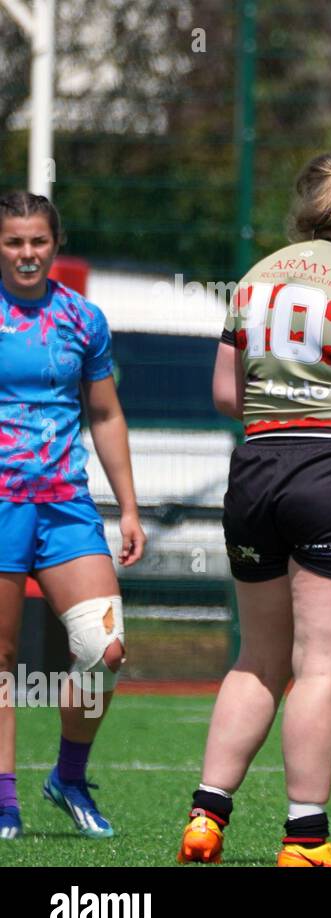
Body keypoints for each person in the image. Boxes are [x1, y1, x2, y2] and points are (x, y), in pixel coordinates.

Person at [177, 152, 331, 867]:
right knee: (322, 668)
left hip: (258, 468)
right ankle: (307, 842)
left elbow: (228, 397)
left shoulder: (259, 275)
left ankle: (206, 817)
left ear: (306, 207)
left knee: (257, 659)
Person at [0, 191, 144, 840]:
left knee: (102, 648)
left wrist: (129, 508)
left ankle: (69, 776)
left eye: (37, 241)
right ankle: (4, 801)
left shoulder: (83, 318)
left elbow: (106, 415)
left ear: (54, 245)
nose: (26, 253)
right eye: (13, 241)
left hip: (66, 506)